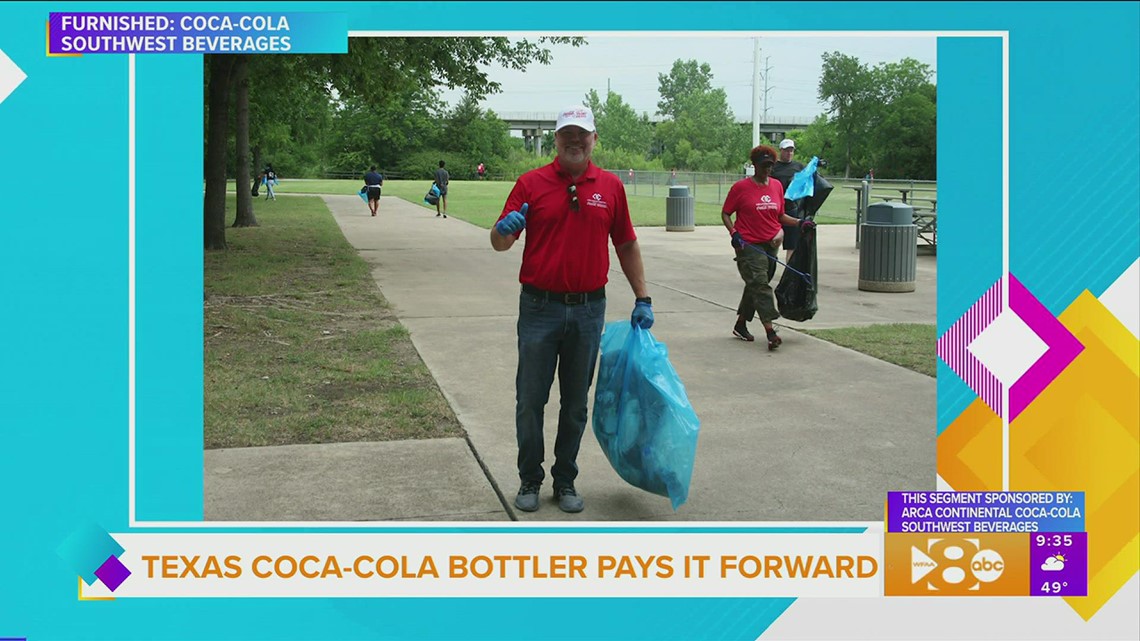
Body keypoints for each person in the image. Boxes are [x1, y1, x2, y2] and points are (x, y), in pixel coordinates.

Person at [490, 104, 653, 514]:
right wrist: (503, 230)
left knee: (576, 402)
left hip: (587, 310)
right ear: (556, 140)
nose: (575, 141)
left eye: (583, 134)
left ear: (594, 139)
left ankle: (565, 480)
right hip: (539, 308)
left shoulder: (611, 187)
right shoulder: (530, 183)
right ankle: (530, 477)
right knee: (530, 399)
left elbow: (626, 244)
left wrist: (643, 296)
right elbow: (499, 241)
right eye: (567, 135)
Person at [722, 144, 813, 350]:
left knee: (755, 285)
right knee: (761, 285)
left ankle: (741, 324)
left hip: (771, 244)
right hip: (748, 245)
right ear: (754, 165)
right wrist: (734, 234)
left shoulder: (776, 186)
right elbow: (726, 213)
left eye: (770, 165)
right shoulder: (740, 188)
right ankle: (770, 331)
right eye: (763, 165)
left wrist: (799, 223)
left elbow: (779, 215)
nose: (767, 170)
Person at [770, 139, 806, 264]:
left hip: (791, 209)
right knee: (773, 241)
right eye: (786, 150)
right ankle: (769, 267)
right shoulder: (773, 167)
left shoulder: (799, 167)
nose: (789, 153)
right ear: (781, 150)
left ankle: (789, 275)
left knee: (792, 244)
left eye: (791, 150)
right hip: (774, 208)